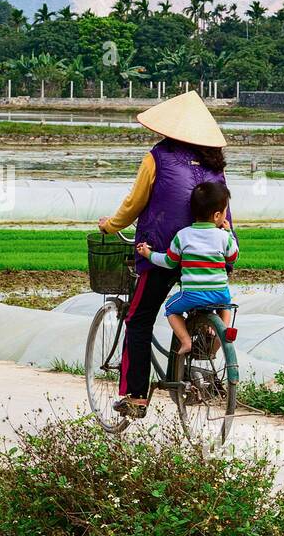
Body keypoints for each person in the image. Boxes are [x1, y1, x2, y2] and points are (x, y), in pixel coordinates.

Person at [96, 91, 231, 417]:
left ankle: (136, 397)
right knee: (209, 297)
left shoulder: (157, 157)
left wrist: (111, 226)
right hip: (215, 251)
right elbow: (225, 211)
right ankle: (208, 343)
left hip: (164, 250)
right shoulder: (215, 166)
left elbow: (134, 203)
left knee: (139, 318)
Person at [136, 180, 237, 363]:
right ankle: (216, 340)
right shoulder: (223, 236)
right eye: (224, 212)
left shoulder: (183, 235)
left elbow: (168, 261)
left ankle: (186, 341)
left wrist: (149, 254)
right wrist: (229, 233)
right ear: (216, 216)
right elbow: (233, 257)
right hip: (219, 294)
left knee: (170, 309)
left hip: (192, 296)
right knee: (227, 305)